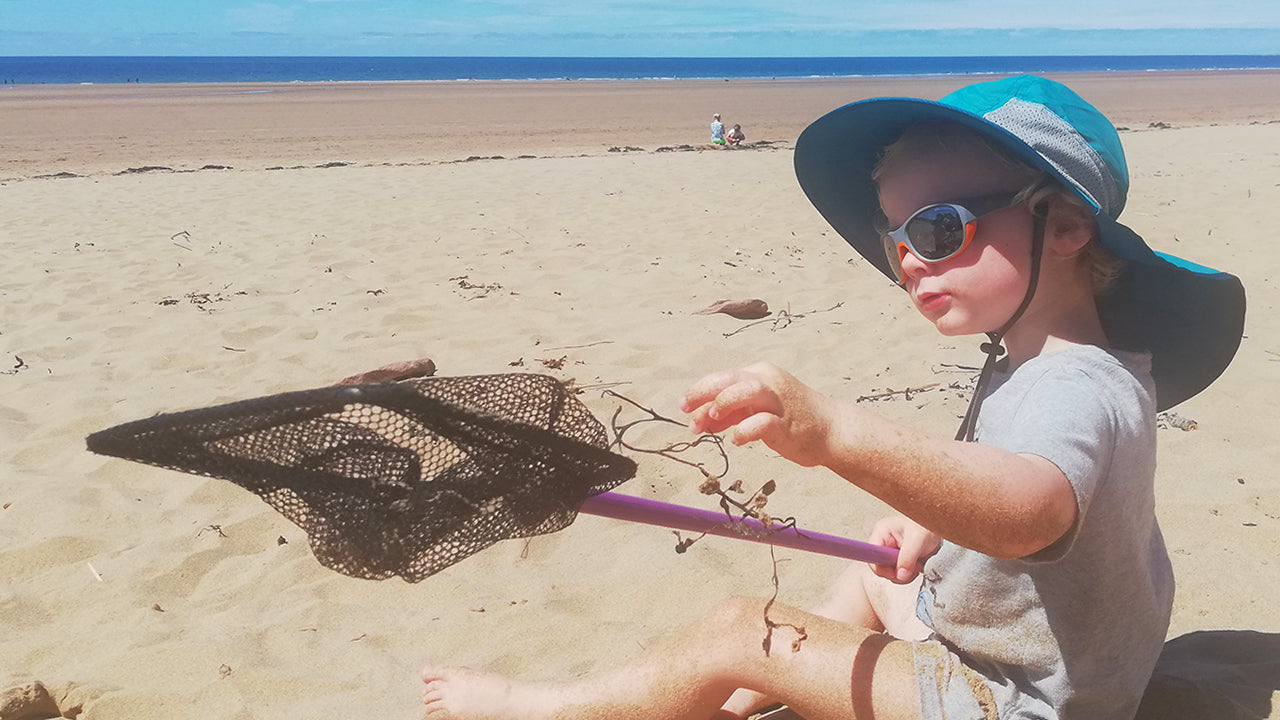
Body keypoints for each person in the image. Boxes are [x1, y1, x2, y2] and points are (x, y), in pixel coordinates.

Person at [420, 75, 1245, 720]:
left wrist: (837, 433)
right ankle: (751, 689)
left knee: (739, 625)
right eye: (897, 242)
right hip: (1062, 668)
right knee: (884, 572)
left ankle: (552, 706)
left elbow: (1030, 510)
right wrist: (930, 523)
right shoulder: (1066, 362)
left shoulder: (1075, 384)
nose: (911, 262)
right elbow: (1031, 486)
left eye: (938, 229)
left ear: (1065, 227)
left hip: (1010, 700)